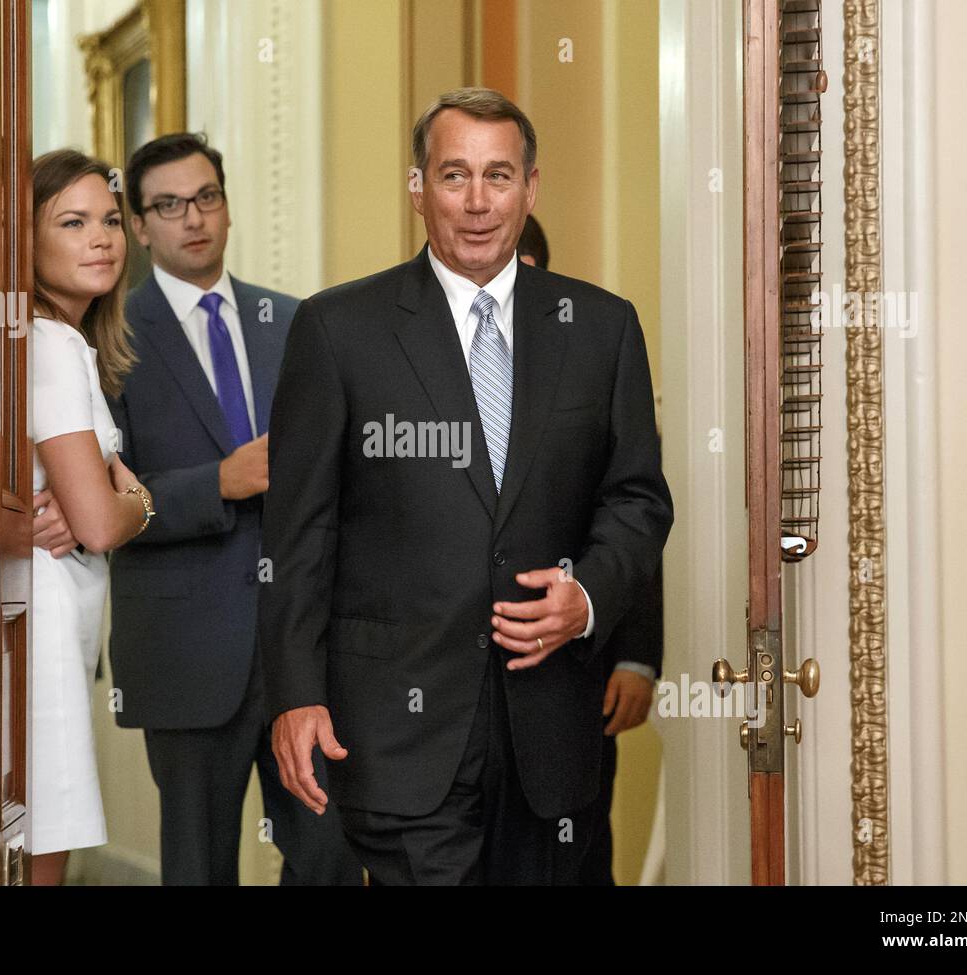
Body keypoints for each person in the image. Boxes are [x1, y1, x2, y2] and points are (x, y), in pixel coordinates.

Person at [258, 87, 673, 885]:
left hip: (551, 730)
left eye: (499, 176)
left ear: (531, 187)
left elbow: (637, 499)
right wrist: (296, 692)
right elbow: (300, 532)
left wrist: (587, 596)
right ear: (418, 189)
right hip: (397, 732)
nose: (478, 202)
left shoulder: (602, 327)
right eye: (455, 176)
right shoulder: (338, 329)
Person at [103, 133, 361, 885]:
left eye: (207, 197)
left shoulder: (298, 321)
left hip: (302, 653)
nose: (194, 219)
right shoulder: (112, 336)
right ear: (141, 224)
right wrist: (218, 480)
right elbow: (104, 506)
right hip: (185, 653)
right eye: (170, 205)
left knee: (329, 859)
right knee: (198, 867)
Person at [516, 214, 663, 885]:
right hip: (452, 699)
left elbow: (634, 513)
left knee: (578, 859)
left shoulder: (598, 351)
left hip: (577, 679)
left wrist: (637, 655)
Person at [28, 149, 157, 885]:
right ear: (26, 240)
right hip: (41, 630)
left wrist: (103, 502)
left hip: (58, 618)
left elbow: (86, 514)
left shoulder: (65, 343)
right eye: (72, 223)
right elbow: (105, 521)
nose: (102, 238)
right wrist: (133, 497)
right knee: (43, 852)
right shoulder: (48, 343)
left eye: (110, 220)